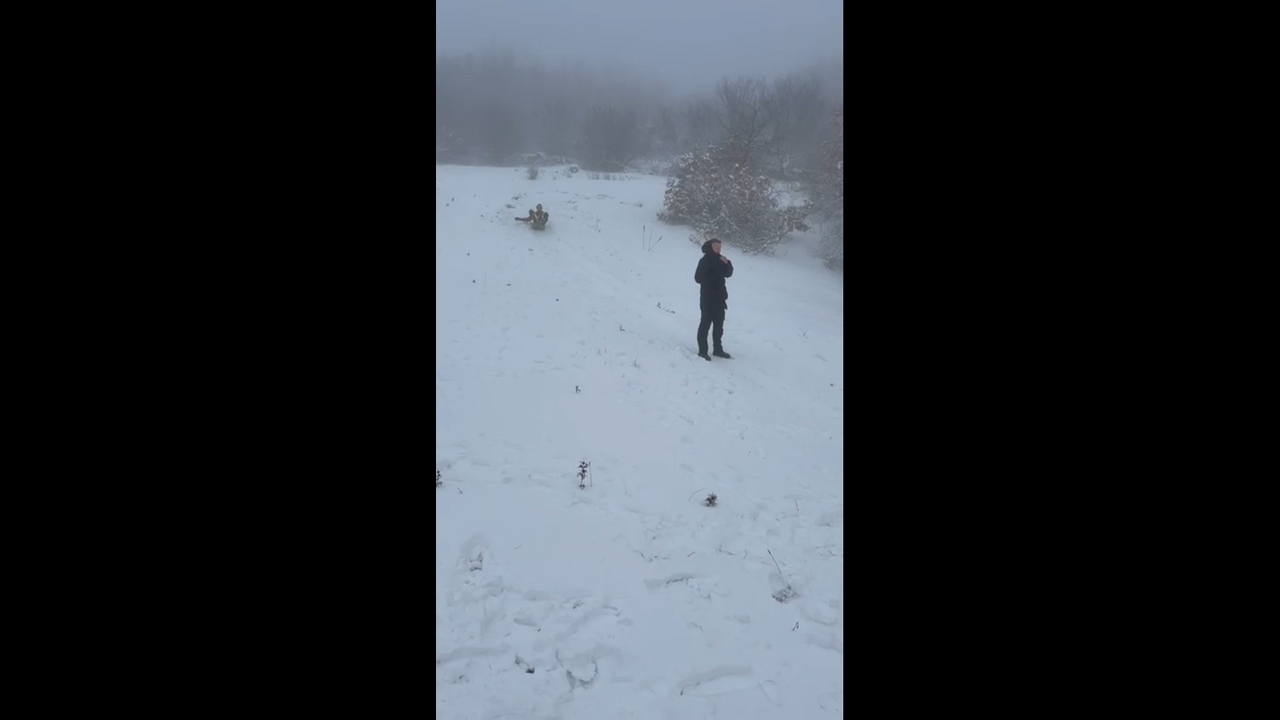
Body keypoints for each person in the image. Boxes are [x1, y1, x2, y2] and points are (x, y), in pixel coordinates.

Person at [693, 238, 734, 360]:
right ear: (711, 247)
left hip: (720, 298)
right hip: (707, 298)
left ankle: (717, 349)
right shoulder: (704, 261)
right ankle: (703, 351)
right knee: (705, 324)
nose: (719, 250)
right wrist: (715, 276)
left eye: (720, 248)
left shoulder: (720, 259)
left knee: (719, 325)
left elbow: (728, 274)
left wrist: (728, 264)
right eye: (717, 248)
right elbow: (698, 278)